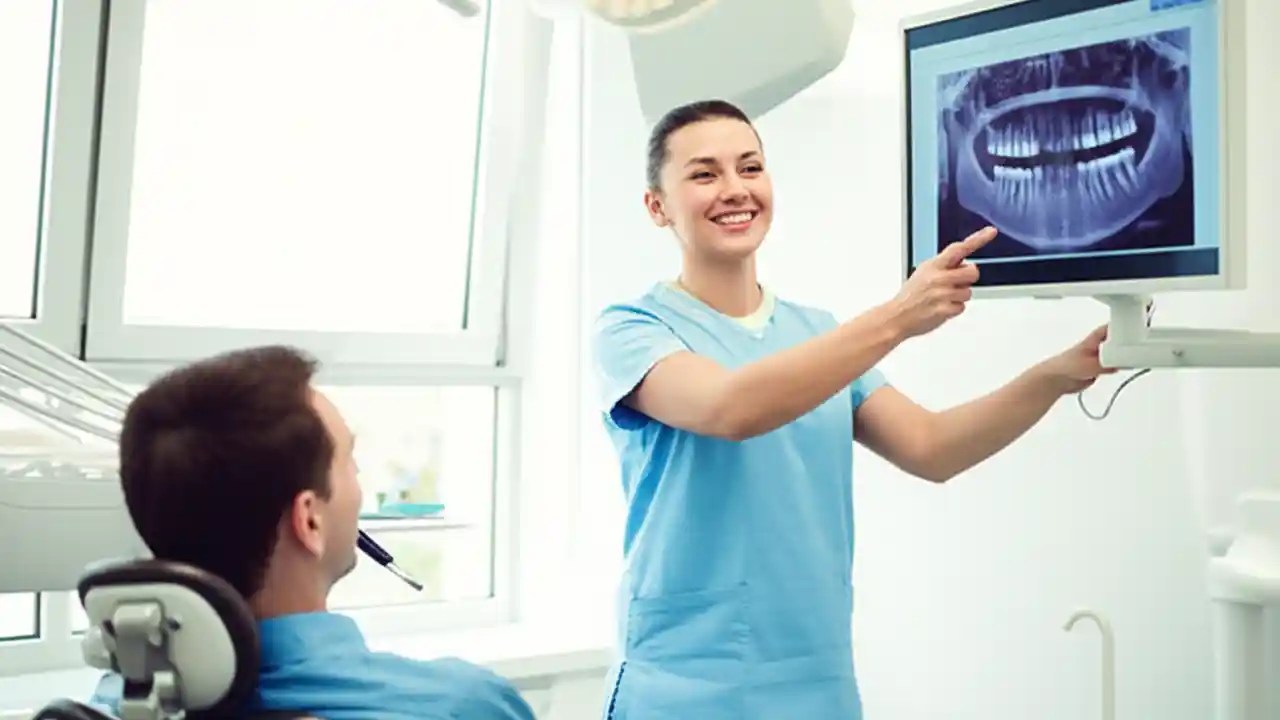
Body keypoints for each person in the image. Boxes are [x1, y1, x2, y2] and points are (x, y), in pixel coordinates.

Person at [591, 99, 1113, 719]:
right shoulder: (632, 329)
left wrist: (1054, 376)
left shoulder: (819, 334)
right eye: (704, 174)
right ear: (658, 206)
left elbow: (931, 447)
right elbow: (731, 409)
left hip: (816, 679)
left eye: (750, 168)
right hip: (683, 683)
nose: (735, 190)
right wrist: (898, 317)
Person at [88, 346, 534, 720]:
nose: (359, 482)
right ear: (310, 520)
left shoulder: (106, 708)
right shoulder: (462, 706)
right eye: (348, 462)